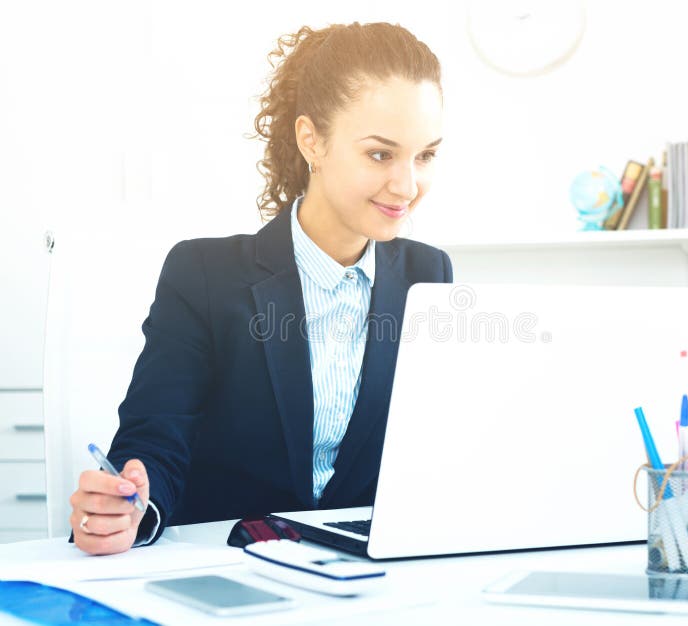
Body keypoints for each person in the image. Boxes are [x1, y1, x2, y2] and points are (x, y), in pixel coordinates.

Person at [68, 21, 452, 555]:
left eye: (426, 155)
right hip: (230, 572)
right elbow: (156, 435)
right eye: (381, 155)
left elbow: (433, 448)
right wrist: (133, 504)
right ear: (310, 139)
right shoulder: (202, 273)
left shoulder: (429, 276)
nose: (408, 186)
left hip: (368, 576)